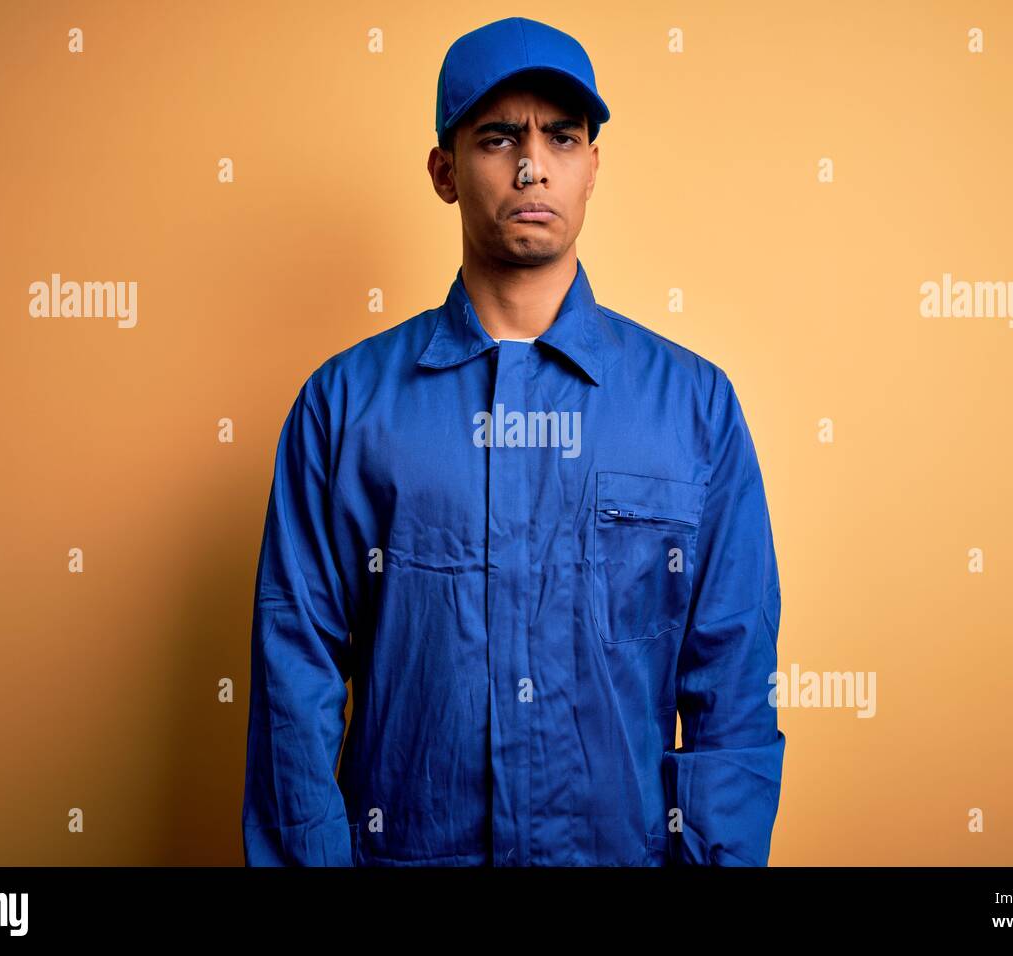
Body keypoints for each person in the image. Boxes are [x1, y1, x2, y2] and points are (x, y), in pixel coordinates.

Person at [242, 15, 784, 867]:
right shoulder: (344, 407)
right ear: (444, 171)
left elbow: (733, 685)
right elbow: (294, 678)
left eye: (561, 137)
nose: (532, 164)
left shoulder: (693, 407)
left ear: (593, 166)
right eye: (498, 137)